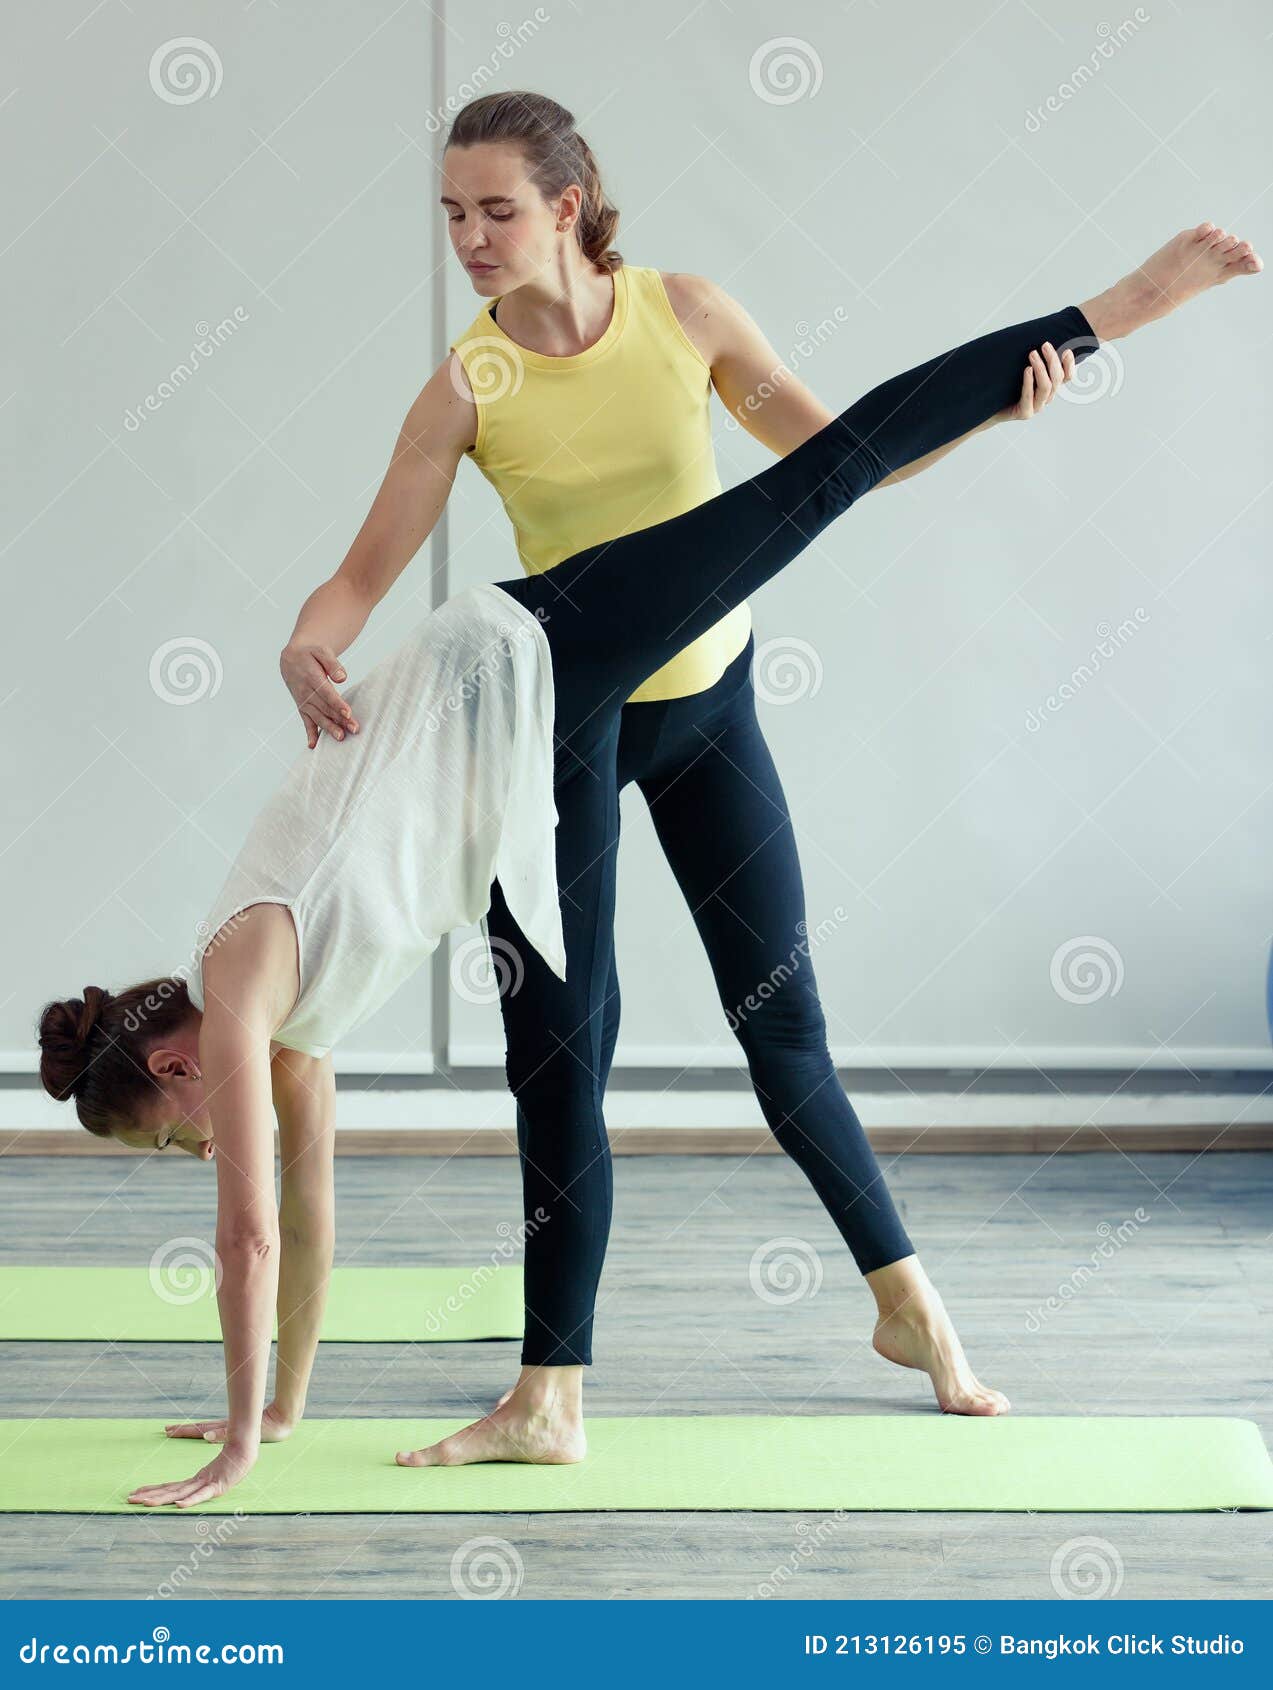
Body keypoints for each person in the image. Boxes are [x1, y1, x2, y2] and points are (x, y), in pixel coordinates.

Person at [37, 218, 1260, 1506]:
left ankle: (1120, 306)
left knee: (783, 998)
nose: (468, 238)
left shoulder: (686, 315)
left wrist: (1019, 399)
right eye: (450, 212)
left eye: (492, 209)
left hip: (594, 676)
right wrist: (277, 1413)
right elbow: (307, 1224)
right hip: (539, 760)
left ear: (570, 207)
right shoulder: (468, 382)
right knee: (561, 1057)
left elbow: (842, 460)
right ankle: (548, 1394)